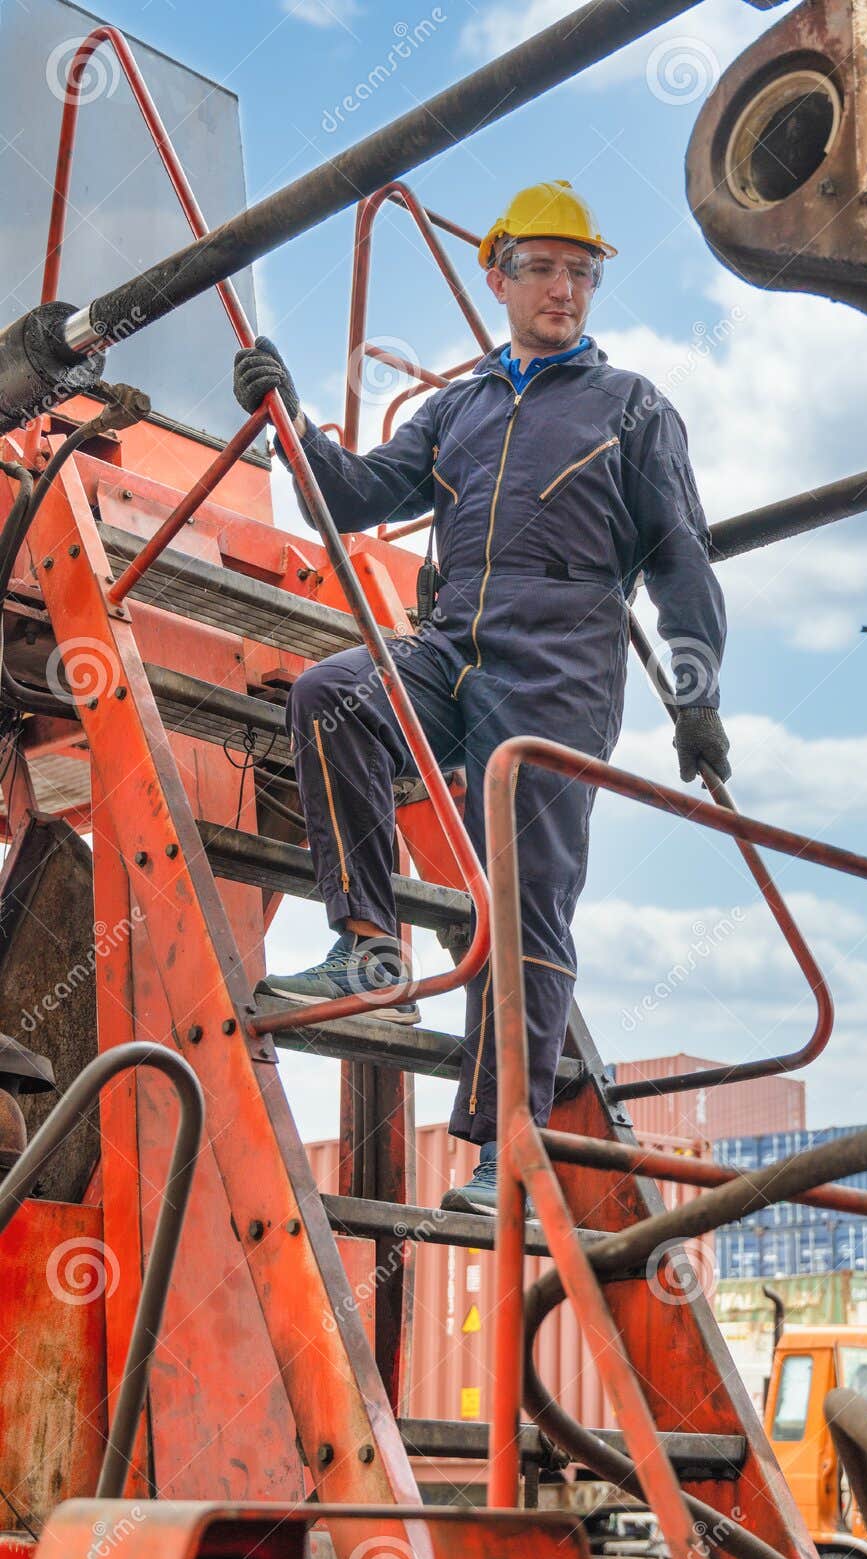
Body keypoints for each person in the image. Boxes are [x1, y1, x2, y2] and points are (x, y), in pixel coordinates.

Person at [232, 180, 729, 1215]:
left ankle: (507, 1153)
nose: (563, 288)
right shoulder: (456, 408)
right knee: (334, 694)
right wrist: (287, 422)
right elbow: (356, 496)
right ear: (496, 276)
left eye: (580, 272)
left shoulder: (629, 407)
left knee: (523, 895)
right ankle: (368, 942)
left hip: (557, 662)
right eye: (542, 269)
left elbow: (680, 558)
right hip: (453, 636)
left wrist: (694, 690)